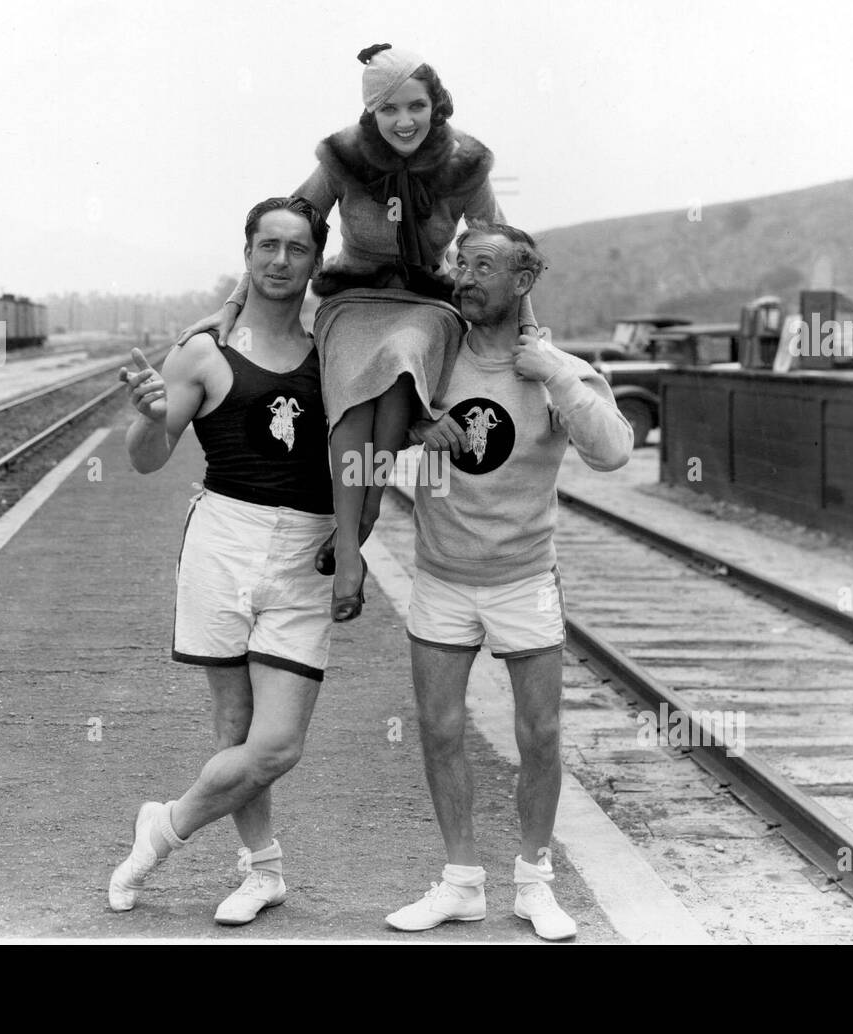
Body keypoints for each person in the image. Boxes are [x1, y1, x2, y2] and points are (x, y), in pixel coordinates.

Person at [178, 43, 536, 624]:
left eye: (416, 106)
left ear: (435, 105)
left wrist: (530, 330)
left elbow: (502, 248)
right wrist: (234, 302)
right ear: (371, 113)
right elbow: (286, 224)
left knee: (400, 358)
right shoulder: (344, 158)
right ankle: (350, 549)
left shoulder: (465, 166)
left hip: (424, 303)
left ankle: (357, 531)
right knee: (353, 401)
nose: (404, 121)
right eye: (388, 109)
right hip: (351, 299)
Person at [385, 223, 635, 941]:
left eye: (484, 265)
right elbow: (375, 425)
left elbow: (614, 451)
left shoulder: (557, 367)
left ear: (524, 281)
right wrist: (415, 432)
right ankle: (460, 882)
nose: (466, 275)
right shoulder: (432, 355)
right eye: (461, 262)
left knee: (542, 734)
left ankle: (535, 882)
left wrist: (554, 370)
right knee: (437, 730)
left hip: (524, 579)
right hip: (441, 576)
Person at [108, 196, 334, 926]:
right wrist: (146, 416)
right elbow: (146, 460)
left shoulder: (334, 348)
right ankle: (261, 870)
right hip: (222, 539)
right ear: (246, 254)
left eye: (297, 248)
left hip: (307, 549)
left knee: (278, 743)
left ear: (315, 259)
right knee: (235, 723)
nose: (280, 261)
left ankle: (164, 829)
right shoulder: (202, 351)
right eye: (266, 246)